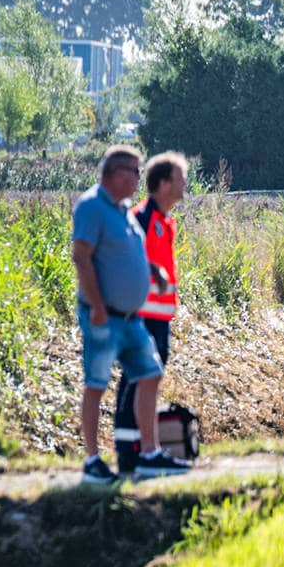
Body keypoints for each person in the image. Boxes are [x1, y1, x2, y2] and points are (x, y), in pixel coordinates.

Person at [72, 145, 190, 483]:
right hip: (104, 315)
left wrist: (152, 269)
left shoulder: (122, 210)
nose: (140, 179)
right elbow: (82, 256)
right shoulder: (93, 206)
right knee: (96, 384)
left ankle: (149, 455)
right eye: (134, 172)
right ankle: (93, 460)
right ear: (115, 173)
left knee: (150, 373)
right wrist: (96, 306)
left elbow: (128, 254)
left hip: (130, 318)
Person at [114, 152, 188, 473]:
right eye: (179, 177)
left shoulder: (164, 222)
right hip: (140, 318)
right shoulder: (142, 219)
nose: (185, 183)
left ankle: (135, 453)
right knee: (138, 380)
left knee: (145, 382)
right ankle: (137, 454)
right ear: (162, 184)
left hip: (159, 318)